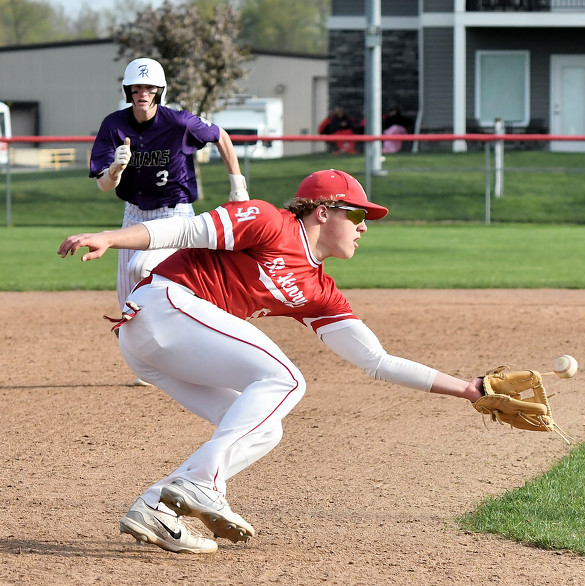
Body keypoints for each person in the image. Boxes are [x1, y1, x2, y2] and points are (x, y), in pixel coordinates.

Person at [58, 169, 484, 555]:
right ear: (323, 212)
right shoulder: (269, 221)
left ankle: (156, 507)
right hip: (163, 306)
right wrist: (112, 238)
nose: (363, 227)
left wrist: (467, 389)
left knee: (261, 430)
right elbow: (187, 228)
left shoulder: (318, 290)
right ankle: (202, 483)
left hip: (160, 343)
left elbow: (376, 361)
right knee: (287, 380)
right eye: (356, 215)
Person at [90, 57, 249, 386]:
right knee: (128, 299)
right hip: (134, 214)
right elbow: (103, 185)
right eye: (136, 88)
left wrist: (238, 186)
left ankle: (207, 350)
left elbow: (221, 136)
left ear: (159, 91)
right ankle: (151, 365)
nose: (142, 93)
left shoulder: (179, 123)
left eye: (149, 88)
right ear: (128, 91)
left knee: (143, 269)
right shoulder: (114, 125)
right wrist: (115, 171)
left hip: (174, 215)